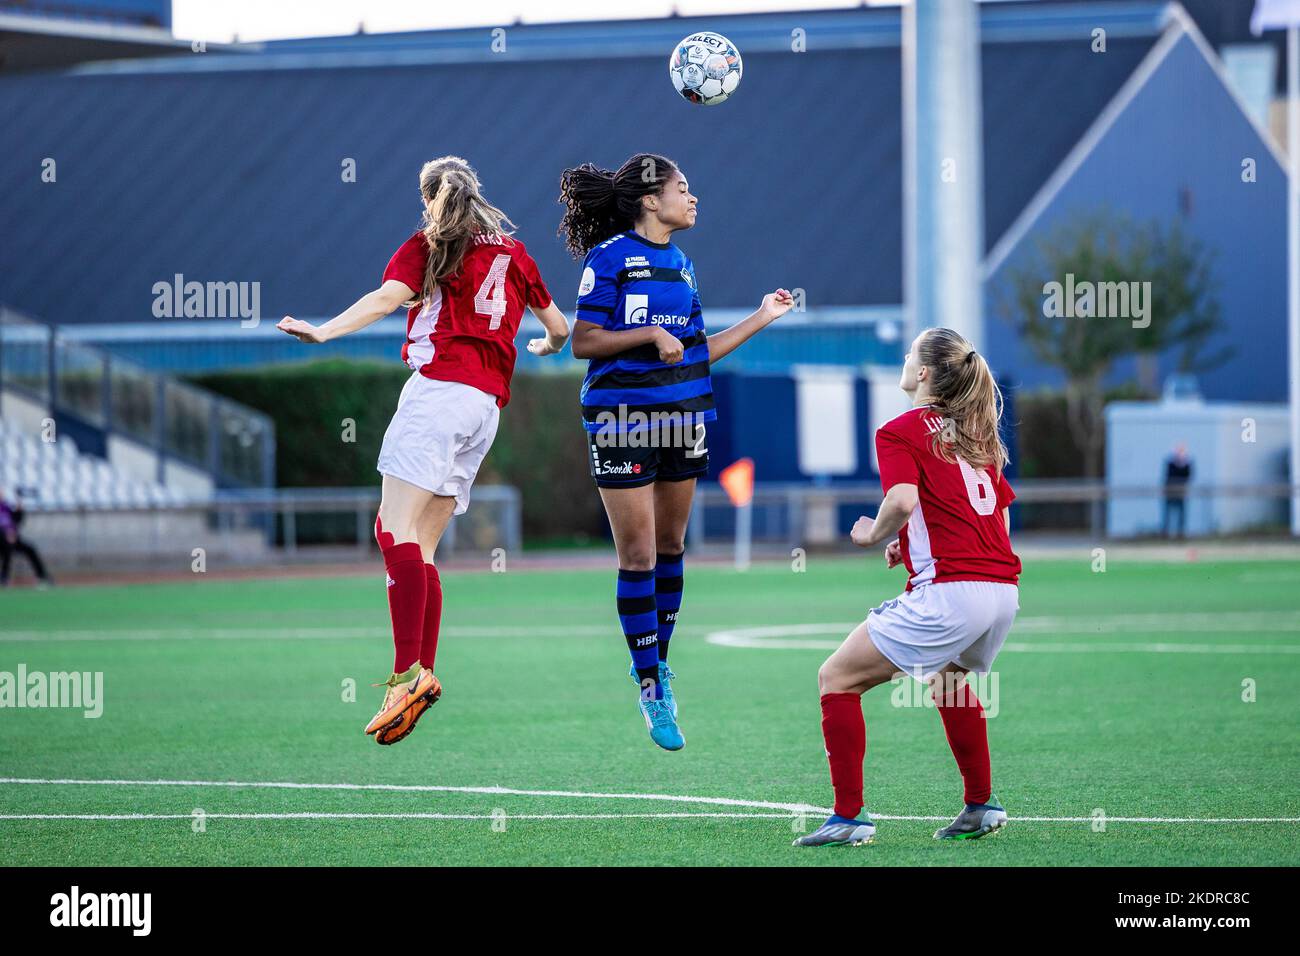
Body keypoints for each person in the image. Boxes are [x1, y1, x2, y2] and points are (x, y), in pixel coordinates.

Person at [278, 156, 570, 745]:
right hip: (485, 409)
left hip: (438, 394)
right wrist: (542, 345)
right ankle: (424, 671)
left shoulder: (433, 245)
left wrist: (323, 331)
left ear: (429, 198)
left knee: (391, 531)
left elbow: (387, 299)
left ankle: (405, 673)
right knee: (423, 546)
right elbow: (559, 327)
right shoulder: (515, 254)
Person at [557, 152, 793, 751]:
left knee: (671, 548)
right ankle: (648, 685)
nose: (693, 198)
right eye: (682, 188)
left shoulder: (682, 265)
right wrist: (648, 334)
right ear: (649, 200)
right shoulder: (609, 258)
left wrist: (762, 317)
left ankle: (658, 665)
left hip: (684, 417)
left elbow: (693, 352)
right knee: (637, 557)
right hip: (623, 421)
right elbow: (583, 341)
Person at [794, 328, 1022, 847]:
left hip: (954, 591)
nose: (904, 358)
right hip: (1001, 591)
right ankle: (981, 804)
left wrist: (872, 535)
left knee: (837, 678)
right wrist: (911, 546)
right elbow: (992, 517)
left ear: (923, 373)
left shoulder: (899, 430)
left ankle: (849, 816)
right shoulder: (975, 433)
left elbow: (900, 500)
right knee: (948, 680)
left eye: (909, 352)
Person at [0, 488, 52, 589]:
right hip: (3, 539)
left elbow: (16, 521)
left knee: (30, 549)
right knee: (7, 548)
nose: (2, 495)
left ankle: (42, 576)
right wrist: (5, 534)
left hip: (12, 538)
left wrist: (19, 510)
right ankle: (4, 577)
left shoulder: (6, 507)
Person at [1162, 443, 1192, 539]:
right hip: (1170, 493)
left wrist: (1182, 463)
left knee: (1181, 515)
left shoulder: (1187, 464)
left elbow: (1187, 476)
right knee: (1168, 514)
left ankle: (1180, 534)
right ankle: (1166, 534)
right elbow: (1170, 476)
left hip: (1181, 494)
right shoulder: (1170, 463)